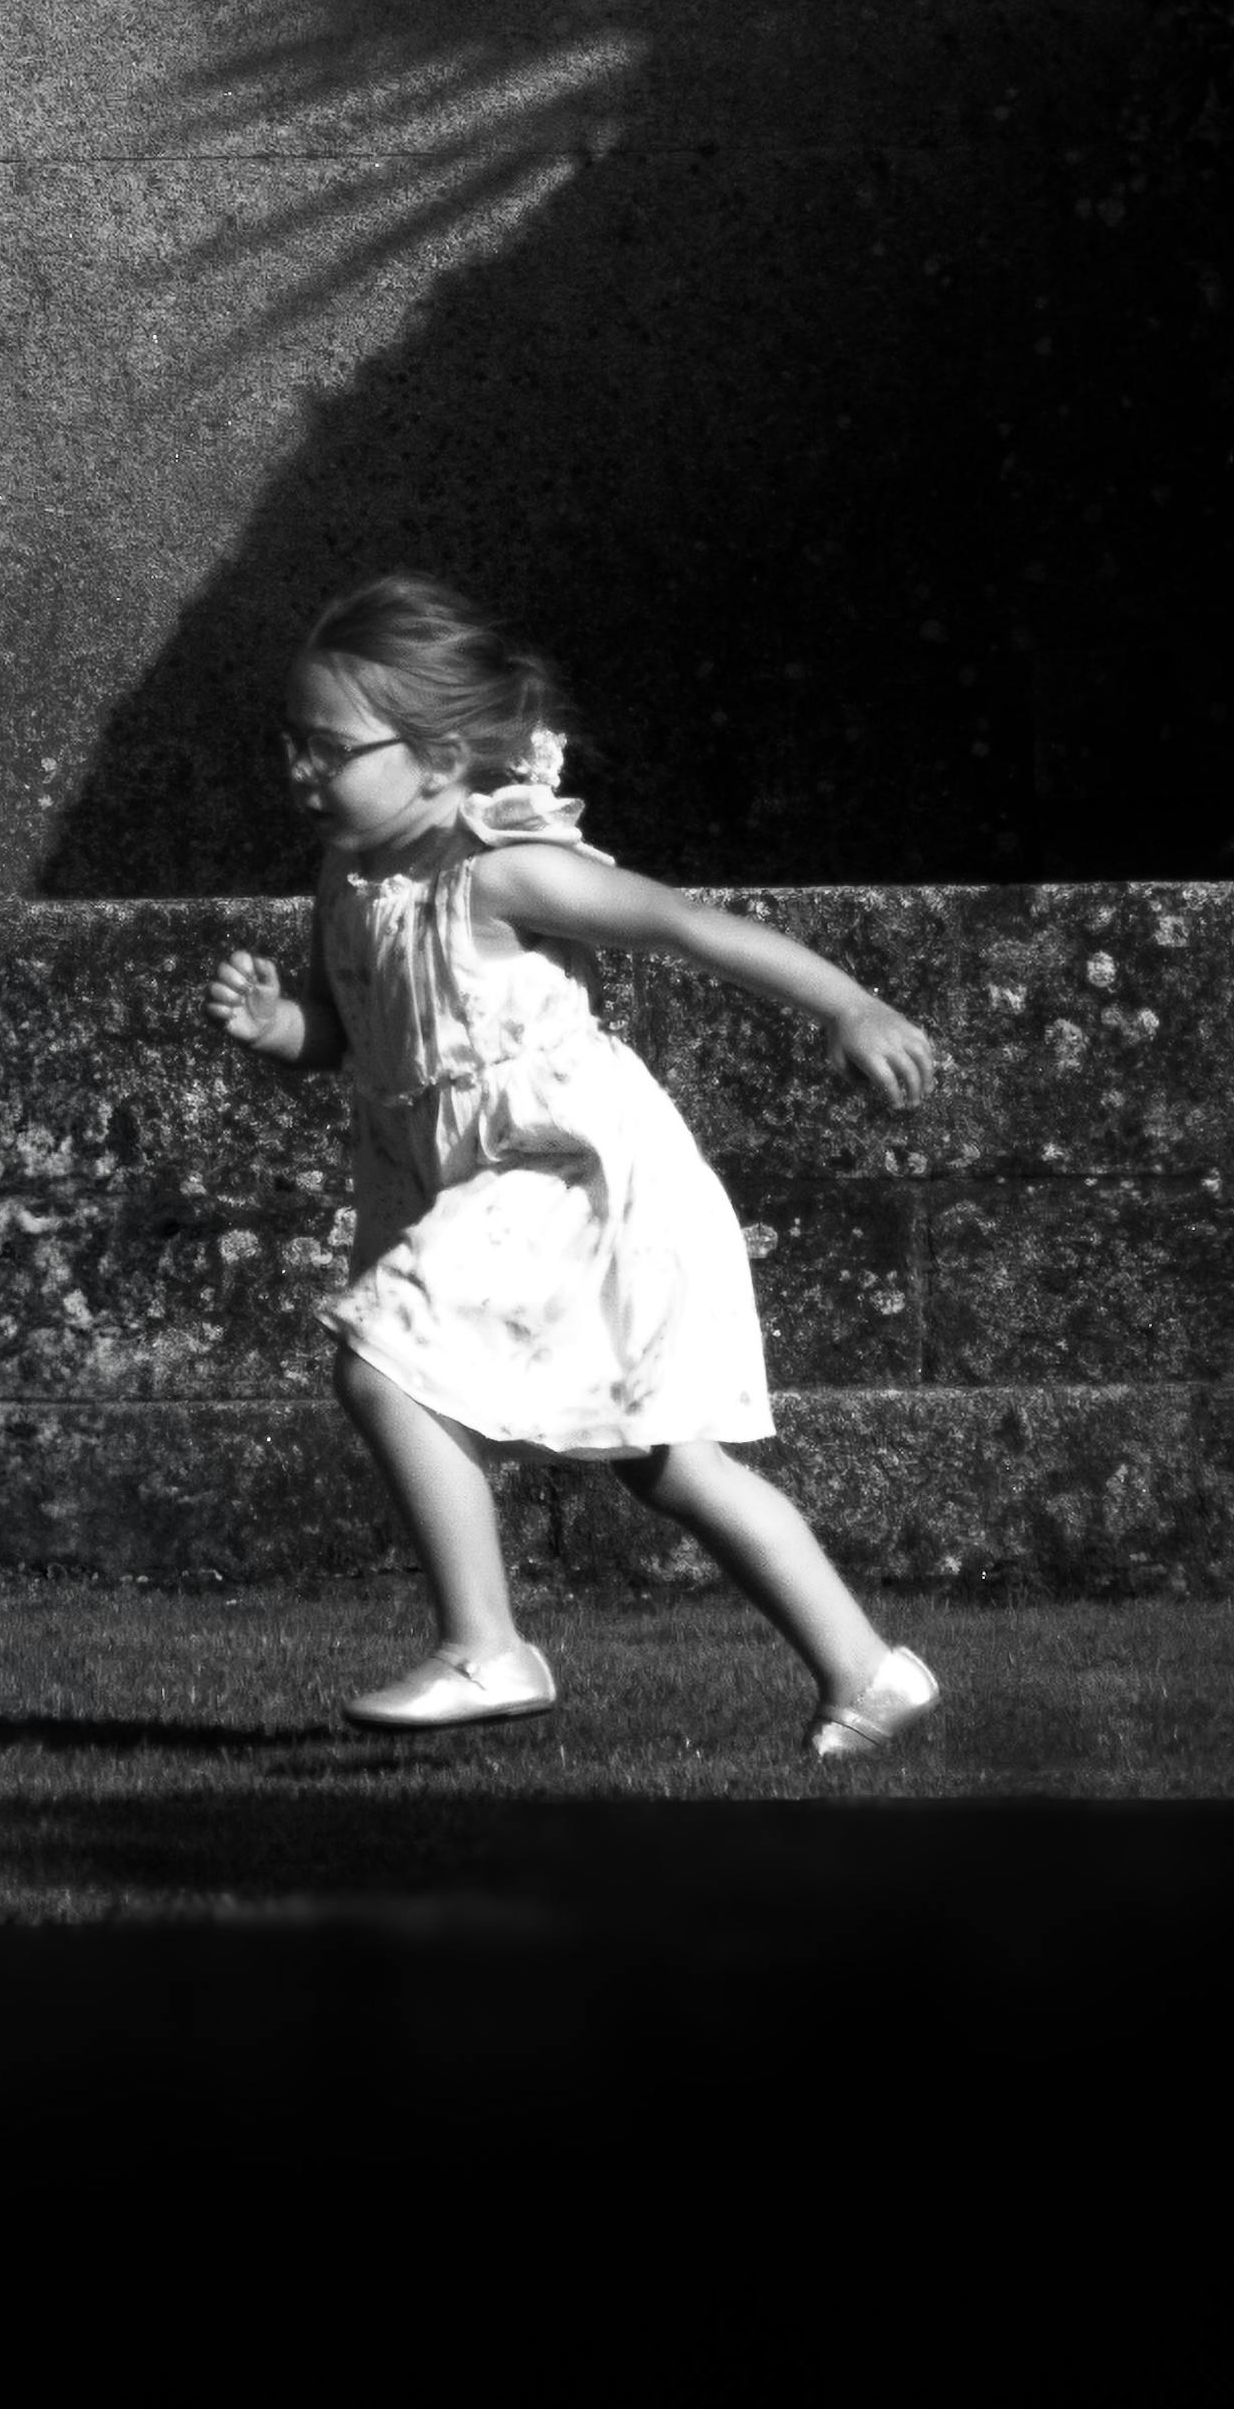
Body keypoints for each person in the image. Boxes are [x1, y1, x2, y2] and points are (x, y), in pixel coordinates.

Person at [206, 563, 949, 1753]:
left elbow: (681, 922)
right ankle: (868, 1671)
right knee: (667, 1461)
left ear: (441, 756)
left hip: (572, 1175)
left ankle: (487, 1646)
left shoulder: (501, 870)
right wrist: (274, 1025)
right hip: (461, 1180)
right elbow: (347, 1036)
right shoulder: (348, 881)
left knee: (379, 1360)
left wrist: (846, 1005)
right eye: (290, 743)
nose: (300, 770)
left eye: (329, 746)